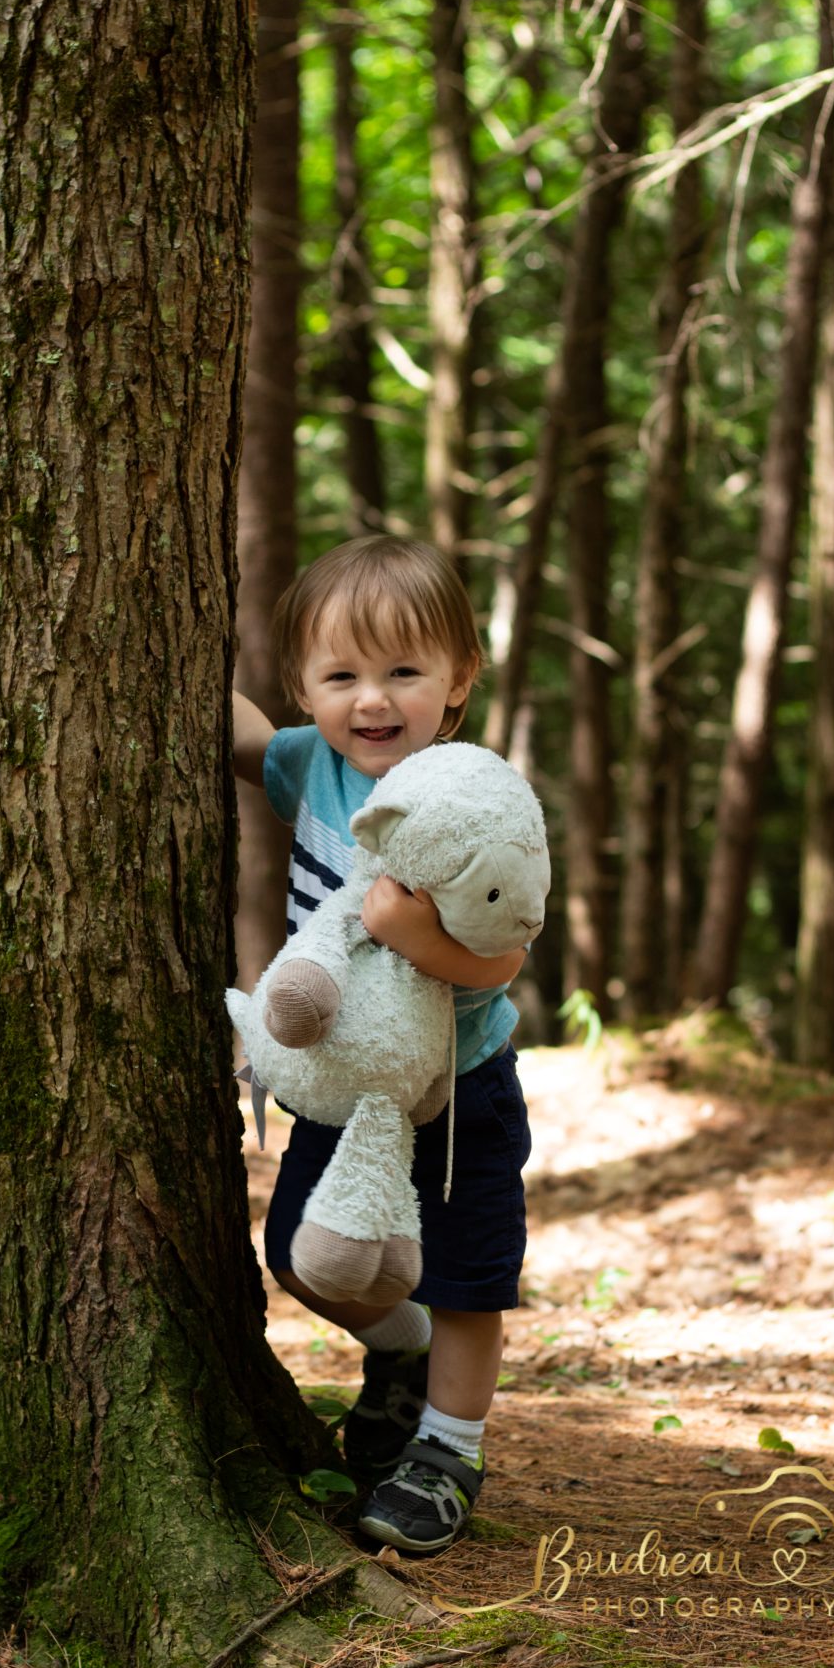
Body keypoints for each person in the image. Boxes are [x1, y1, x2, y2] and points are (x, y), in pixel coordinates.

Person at [233, 535, 533, 1554]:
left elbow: (504, 962)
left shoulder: (470, 796)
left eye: (404, 671)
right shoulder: (303, 762)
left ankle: (450, 1448)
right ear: (304, 689)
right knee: (300, 1254)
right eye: (342, 675)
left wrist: (414, 934)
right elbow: (239, 736)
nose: (373, 699)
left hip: (457, 1089)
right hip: (342, 1091)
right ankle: (396, 1356)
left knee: (464, 1274)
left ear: (458, 682)